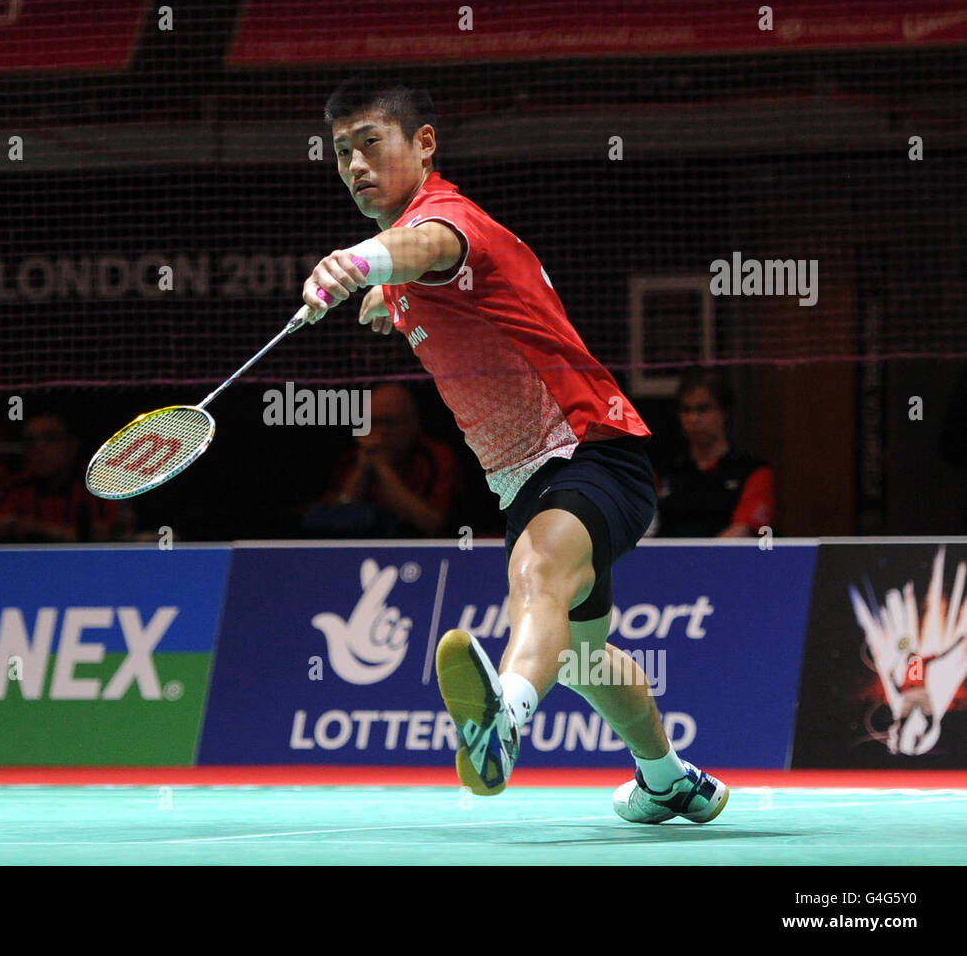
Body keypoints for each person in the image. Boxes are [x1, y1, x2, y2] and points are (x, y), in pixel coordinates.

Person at [301, 77, 727, 823]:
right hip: (522, 478)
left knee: (535, 576)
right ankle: (667, 778)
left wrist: (360, 264)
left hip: (590, 445)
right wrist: (387, 300)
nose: (356, 166)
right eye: (341, 153)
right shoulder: (410, 260)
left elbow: (427, 247)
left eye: (372, 143)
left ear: (423, 143)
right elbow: (424, 278)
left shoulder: (445, 220)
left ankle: (503, 722)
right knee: (586, 659)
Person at [304, 383, 462, 538]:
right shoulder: (352, 460)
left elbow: (432, 525)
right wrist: (362, 471)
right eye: (373, 422)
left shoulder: (436, 457)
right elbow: (332, 520)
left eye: (389, 423)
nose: (380, 431)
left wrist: (383, 470)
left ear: (413, 423)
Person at [655, 368, 776, 538]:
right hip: (665, 562)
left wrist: (701, 560)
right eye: (686, 410)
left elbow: (742, 530)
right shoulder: (664, 471)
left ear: (725, 412)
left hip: (727, 562)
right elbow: (643, 528)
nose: (693, 419)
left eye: (703, 409)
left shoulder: (753, 472)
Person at [0, 412, 133, 543]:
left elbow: (120, 534)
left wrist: (38, 528)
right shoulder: (13, 488)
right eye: (30, 441)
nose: (38, 448)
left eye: (51, 439)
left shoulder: (102, 485)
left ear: (72, 445)